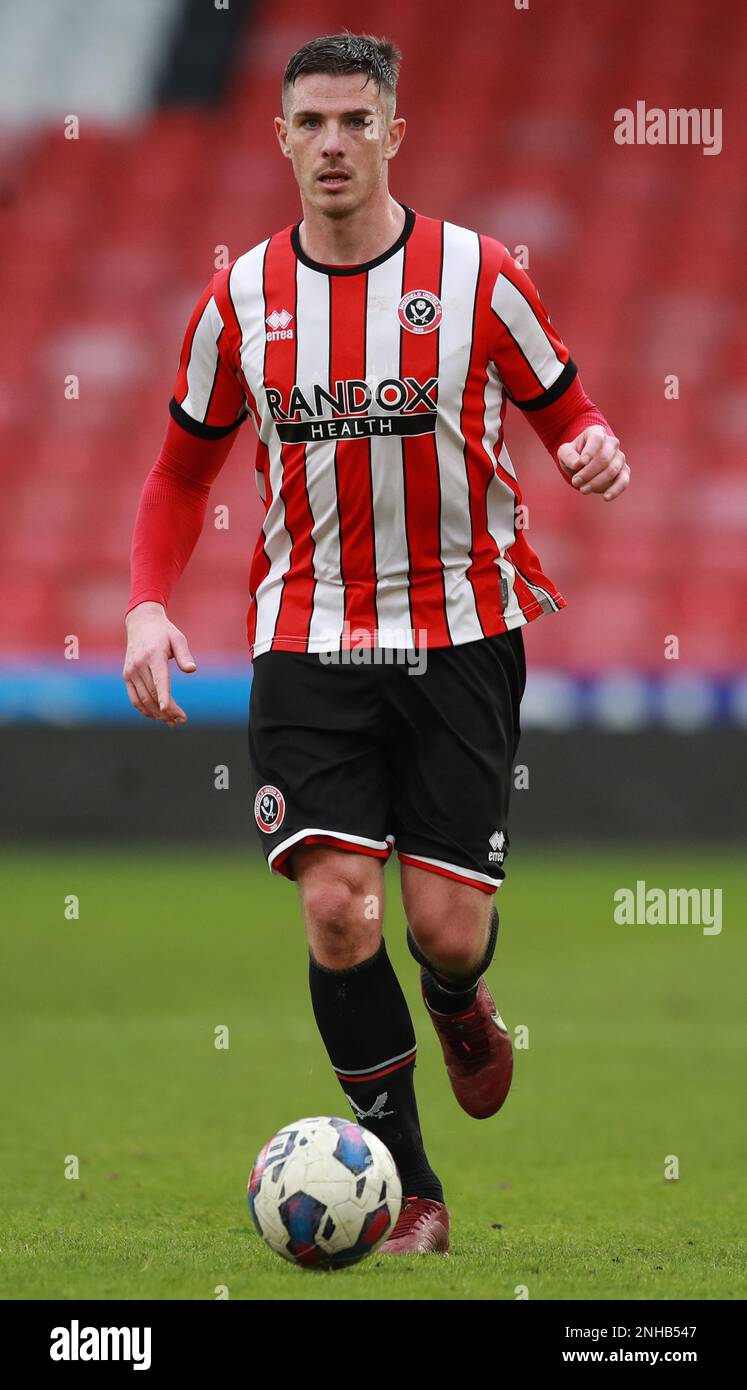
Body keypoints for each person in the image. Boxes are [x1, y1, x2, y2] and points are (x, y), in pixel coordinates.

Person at [124, 31, 630, 1255]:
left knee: (443, 928)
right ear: (282, 137)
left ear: (394, 132)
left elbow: (567, 406)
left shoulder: (481, 274)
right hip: (307, 638)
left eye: (358, 122)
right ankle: (410, 1187)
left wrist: (592, 448)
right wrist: (146, 599)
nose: (336, 144)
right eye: (313, 124)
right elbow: (180, 472)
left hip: (463, 629)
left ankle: (459, 1002)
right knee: (340, 912)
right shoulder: (239, 300)